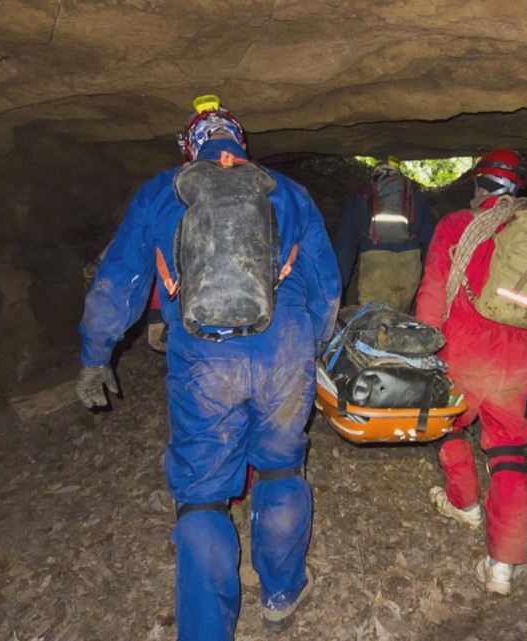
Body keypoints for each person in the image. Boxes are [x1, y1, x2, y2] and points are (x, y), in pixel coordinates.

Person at [74, 95, 341, 640]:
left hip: (203, 360)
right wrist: (308, 346)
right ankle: (281, 596)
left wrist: (95, 355)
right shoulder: (287, 191)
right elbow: (327, 286)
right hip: (283, 348)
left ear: (190, 146)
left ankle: (205, 632)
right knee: (282, 469)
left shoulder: (161, 192)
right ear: (239, 142)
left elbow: (117, 282)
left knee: (202, 498)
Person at [413, 149, 527, 596]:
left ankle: (464, 503)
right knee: (508, 452)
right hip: (516, 358)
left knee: (449, 428)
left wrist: (426, 347)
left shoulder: (455, 226)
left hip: (462, 352)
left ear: (480, 185)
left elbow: (431, 288)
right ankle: (502, 564)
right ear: (518, 189)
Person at [334, 156, 436, 313]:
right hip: (409, 269)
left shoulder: (360, 200)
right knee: (399, 319)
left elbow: (344, 250)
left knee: (375, 323)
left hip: (376, 267)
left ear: (375, 179)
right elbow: (433, 242)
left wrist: (337, 292)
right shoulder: (415, 200)